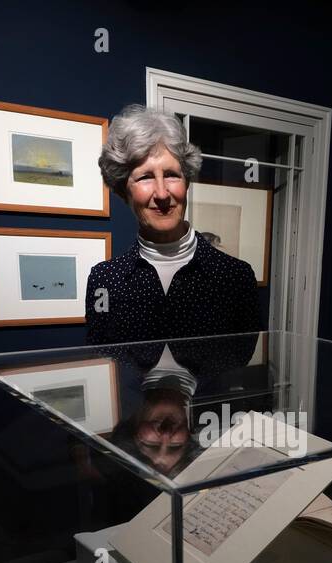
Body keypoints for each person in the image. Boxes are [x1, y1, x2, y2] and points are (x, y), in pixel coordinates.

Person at [87, 104, 260, 379]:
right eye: (144, 177)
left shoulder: (236, 277)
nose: (162, 193)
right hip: (135, 415)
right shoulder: (105, 279)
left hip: (209, 416)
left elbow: (238, 358)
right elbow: (103, 359)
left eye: (171, 174)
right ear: (123, 192)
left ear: (187, 181)